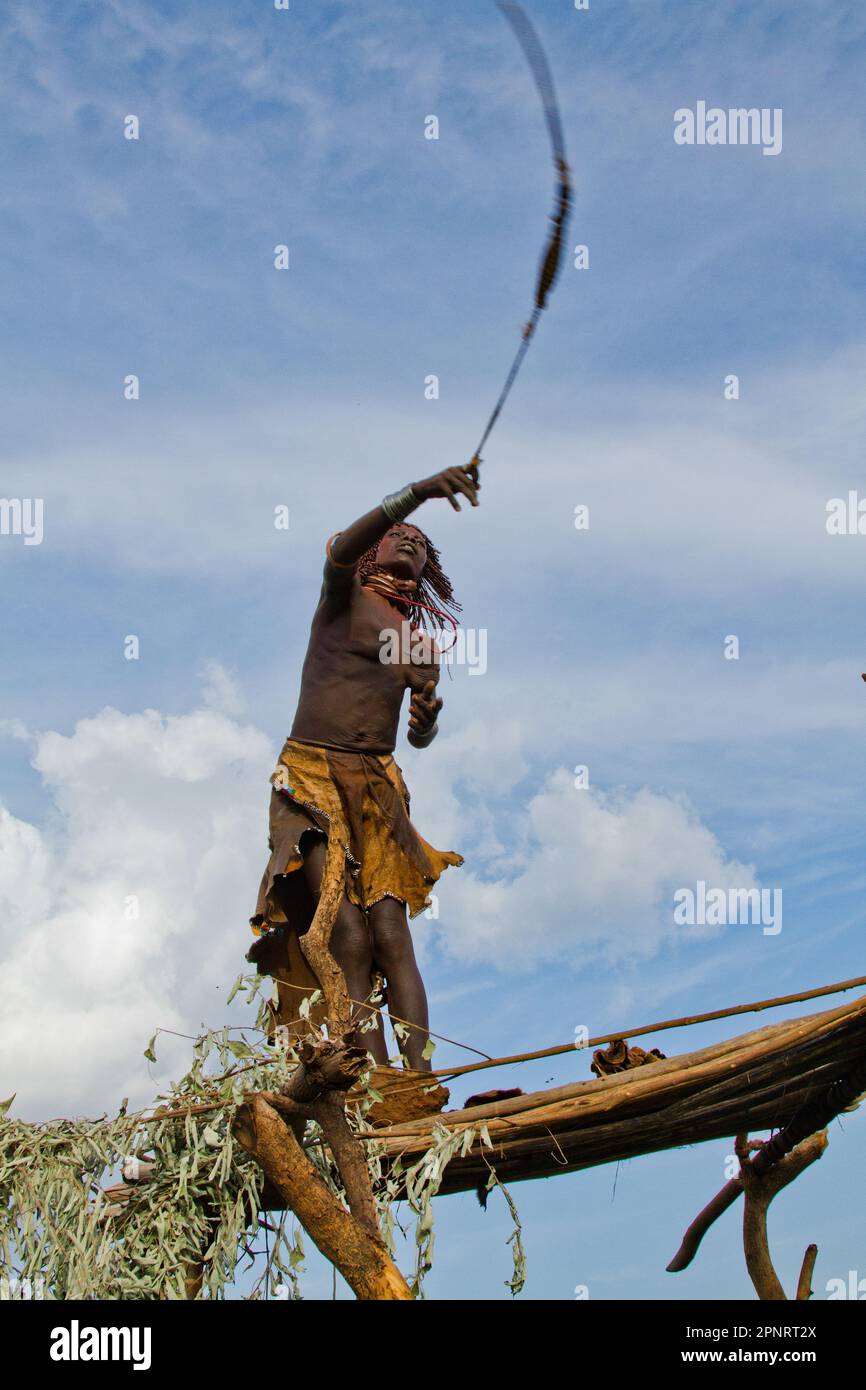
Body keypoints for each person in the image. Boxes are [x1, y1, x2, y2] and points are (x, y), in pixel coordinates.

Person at [248, 465, 480, 1071]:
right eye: (400, 534)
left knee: (390, 933)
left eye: (422, 544)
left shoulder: (419, 645)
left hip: (378, 786)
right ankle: (371, 1079)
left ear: (429, 572)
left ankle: (421, 1074)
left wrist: (425, 723)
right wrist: (421, 493)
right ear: (373, 548)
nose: (412, 540)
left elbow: (417, 737)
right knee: (345, 934)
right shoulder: (341, 596)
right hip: (313, 775)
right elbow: (339, 548)